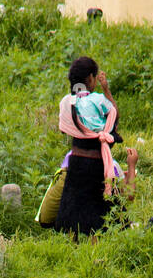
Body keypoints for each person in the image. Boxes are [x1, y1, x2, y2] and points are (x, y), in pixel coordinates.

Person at [54, 57, 129, 237]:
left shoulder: (67, 102)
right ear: (90, 78)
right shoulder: (97, 99)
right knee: (98, 210)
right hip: (96, 163)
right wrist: (106, 90)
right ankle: (96, 244)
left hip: (76, 160)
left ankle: (73, 242)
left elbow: (65, 129)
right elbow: (114, 117)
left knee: (74, 206)